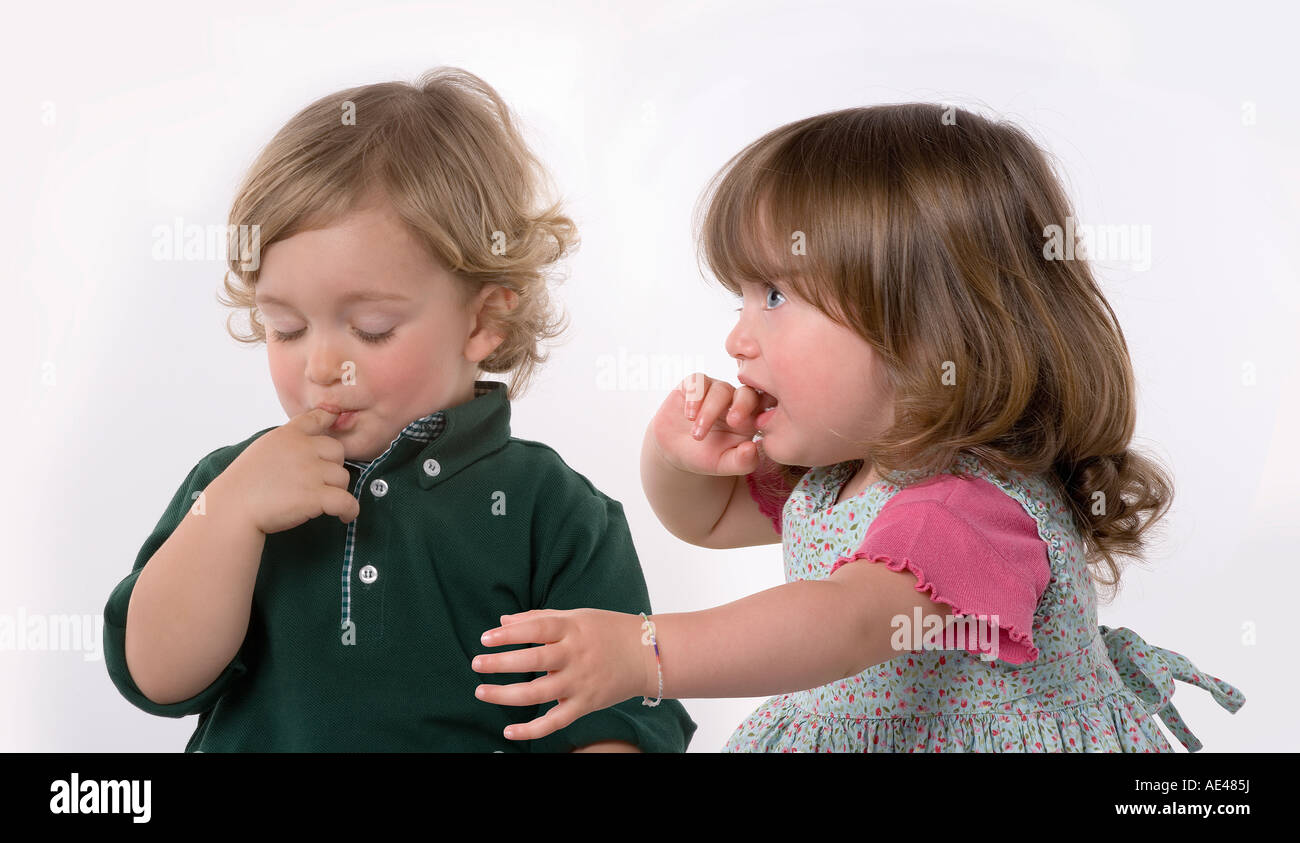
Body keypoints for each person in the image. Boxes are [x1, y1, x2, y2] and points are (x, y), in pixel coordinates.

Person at [472, 103, 1244, 751]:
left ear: (925, 332)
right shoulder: (844, 472)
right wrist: (678, 456)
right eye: (740, 297)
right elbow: (705, 518)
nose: (739, 337)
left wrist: (645, 652)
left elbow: (845, 621)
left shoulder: (970, 507)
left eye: (774, 295)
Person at [102, 67, 696, 752]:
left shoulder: (551, 511)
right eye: (286, 327)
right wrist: (232, 516)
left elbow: (613, 721)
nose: (320, 365)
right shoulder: (232, 483)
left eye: (373, 327)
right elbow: (157, 677)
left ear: (483, 322)